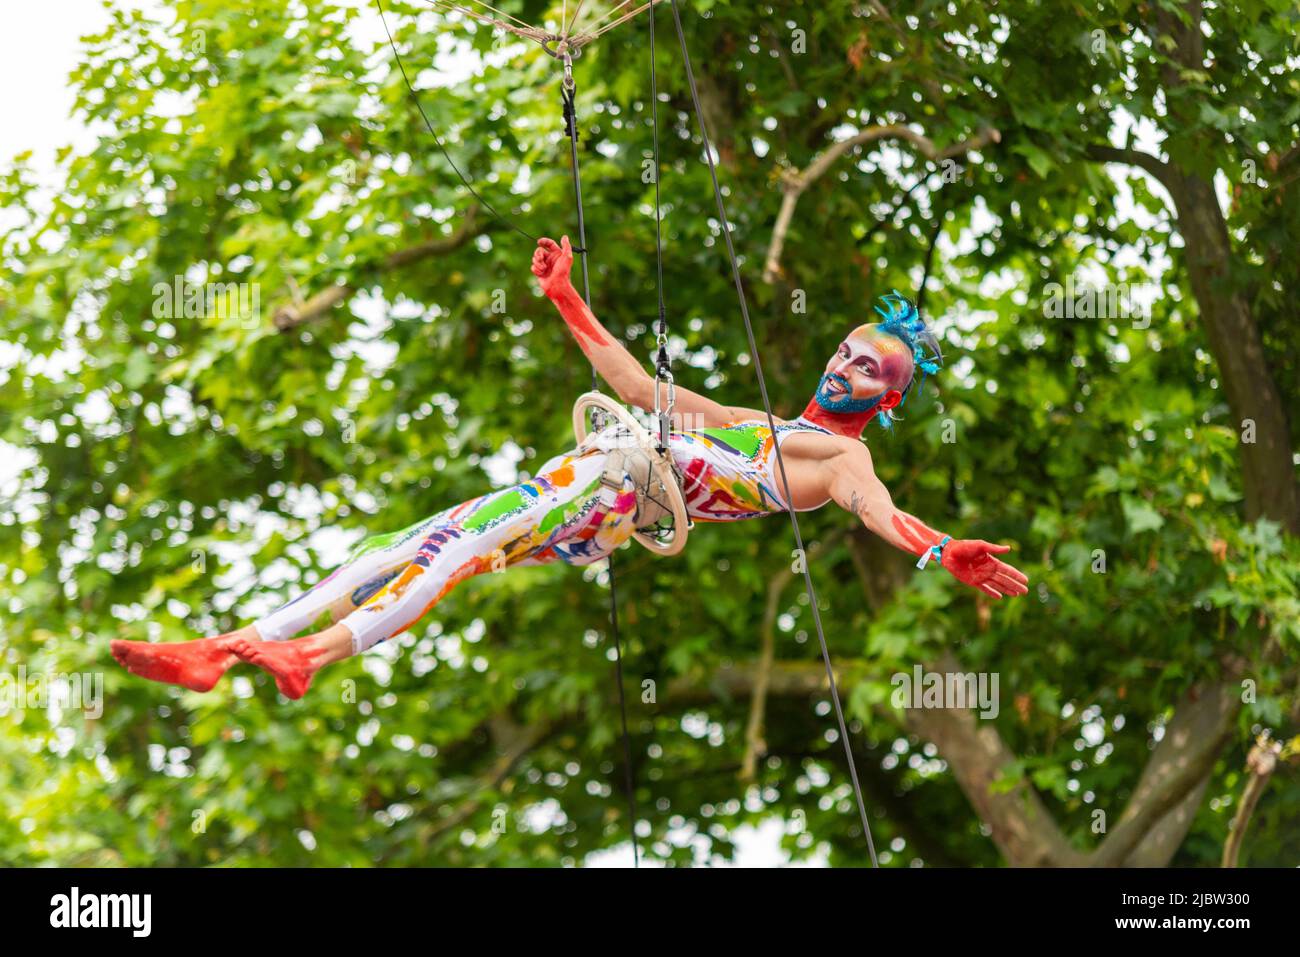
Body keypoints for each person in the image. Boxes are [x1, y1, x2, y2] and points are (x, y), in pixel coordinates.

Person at [111, 236, 1029, 699]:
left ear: (888, 398)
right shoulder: (759, 422)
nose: (848, 366)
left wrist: (938, 548)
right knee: (417, 539)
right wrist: (567, 298)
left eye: (874, 369)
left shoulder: (841, 454)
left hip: (624, 491)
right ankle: (234, 645)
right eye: (848, 350)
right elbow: (637, 380)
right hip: (596, 474)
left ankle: (306, 654)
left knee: (463, 542)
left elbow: (875, 508)